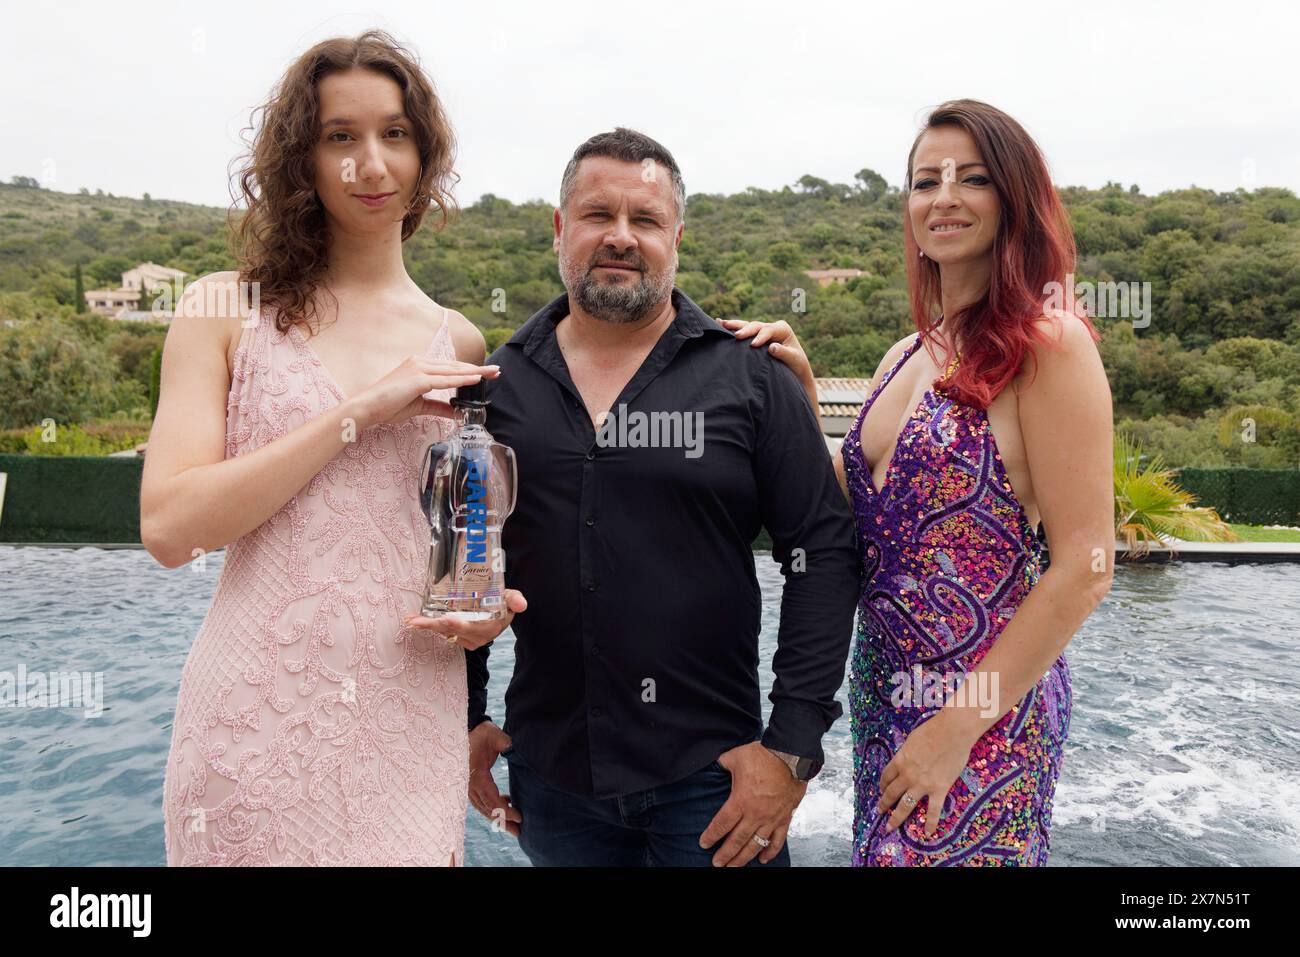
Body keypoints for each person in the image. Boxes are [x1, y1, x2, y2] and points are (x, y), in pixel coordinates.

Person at [407, 128, 859, 866]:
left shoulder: (751, 381)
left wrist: (792, 746)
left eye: (644, 220)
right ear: (560, 229)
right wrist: (466, 718)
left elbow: (824, 551)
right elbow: (462, 567)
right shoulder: (492, 392)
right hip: (552, 785)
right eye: (597, 215)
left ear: (675, 237)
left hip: (715, 785)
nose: (620, 237)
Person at [144, 30, 518, 866]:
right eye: (339, 137)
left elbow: (455, 551)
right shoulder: (221, 309)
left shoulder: (457, 341)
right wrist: (360, 410)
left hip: (411, 724)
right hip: (255, 725)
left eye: (394, 133)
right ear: (300, 160)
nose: (371, 163)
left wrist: (480, 612)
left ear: (425, 154)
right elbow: (171, 530)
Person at [722, 99, 1114, 865]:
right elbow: (840, 513)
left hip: (982, 718)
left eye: (972, 178)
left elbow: (1084, 568)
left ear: (1014, 198)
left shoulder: (1050, 344)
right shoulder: (904, 353)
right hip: (884, 694)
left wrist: (956, 728)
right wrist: (798, 396)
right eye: (924, 180)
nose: (943, 197)